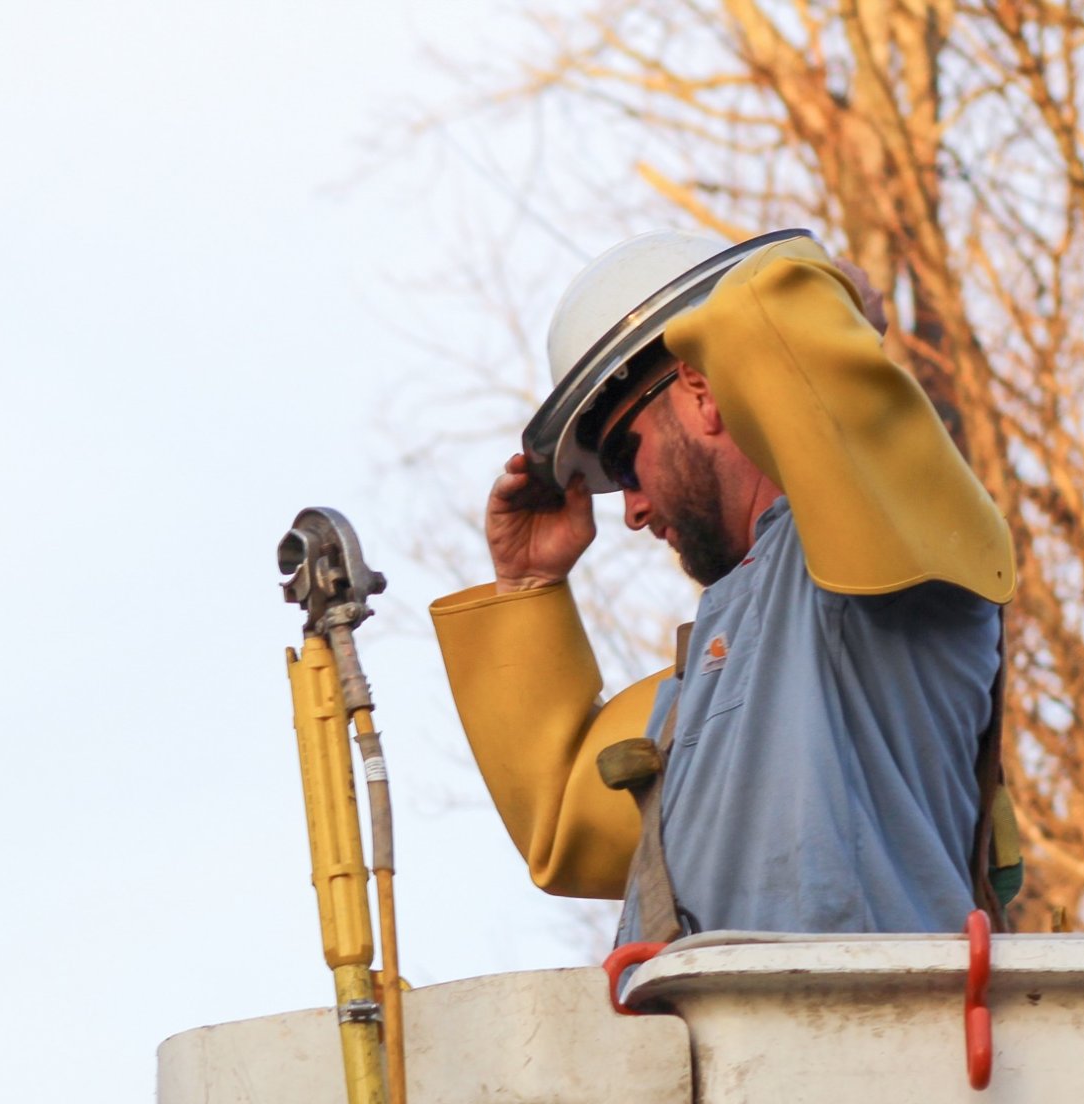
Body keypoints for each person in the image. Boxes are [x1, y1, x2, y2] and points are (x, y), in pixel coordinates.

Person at [431, 228, 1021, 944]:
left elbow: (772, 310)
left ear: (703, 392)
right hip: (724, 1055)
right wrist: (529, 585)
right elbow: (561, 822)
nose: (634, 510)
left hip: (867, 1043)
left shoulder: (882, 550)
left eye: (624, 459)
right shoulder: (705, 685)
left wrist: (832, 303)